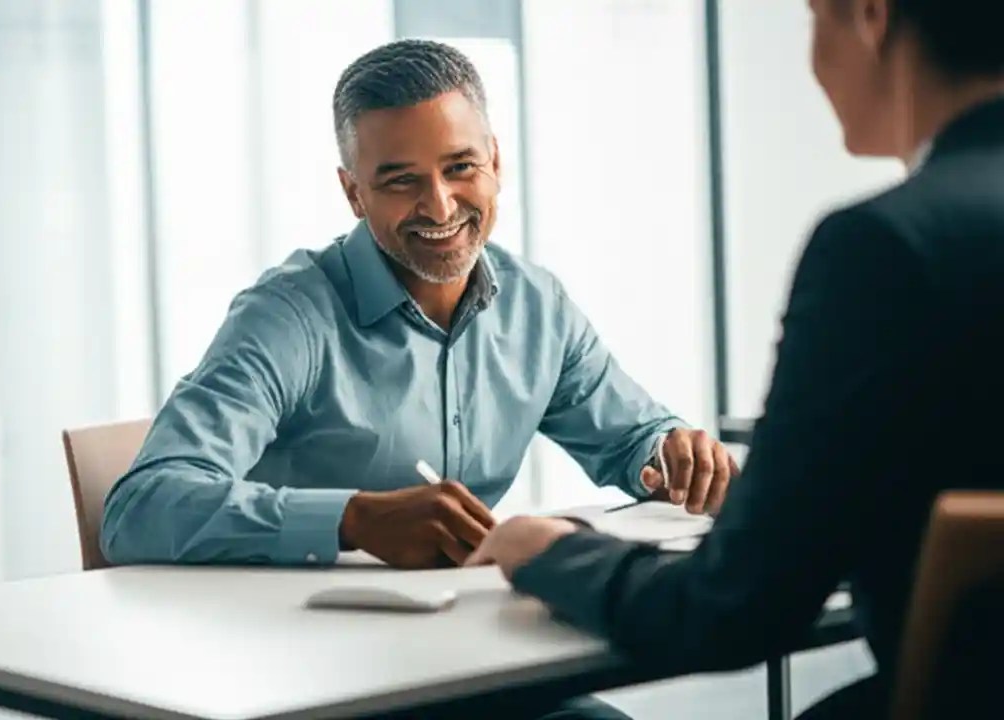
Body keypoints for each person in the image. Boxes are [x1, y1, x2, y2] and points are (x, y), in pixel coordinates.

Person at [468, 1, 1004, 717]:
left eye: (813, 18)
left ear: (871, 16)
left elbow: (735, 607)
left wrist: (547, 553)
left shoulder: (884, 248)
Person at [101, 39, 734, 573]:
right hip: (314, 674)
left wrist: (672, 454)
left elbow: (634, 441)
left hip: (475, 650)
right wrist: (352, 519)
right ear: (353, 193)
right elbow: (140, 509)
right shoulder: (287, 316)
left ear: (495, 162)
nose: (438, 206)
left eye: (461, 167)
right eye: (401, 180)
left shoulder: (536, 305)